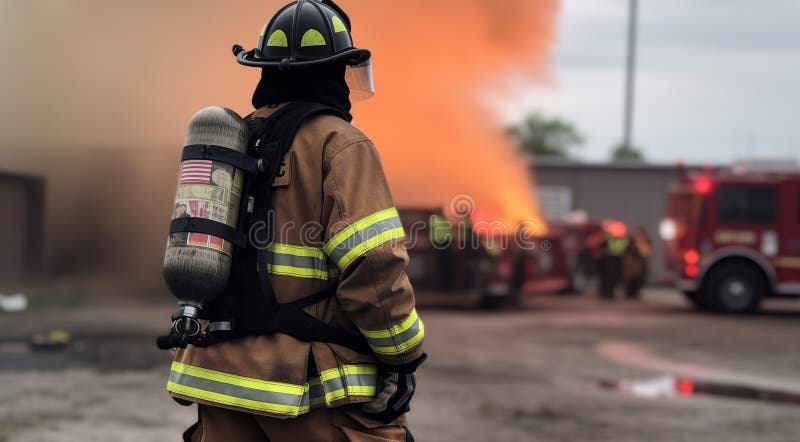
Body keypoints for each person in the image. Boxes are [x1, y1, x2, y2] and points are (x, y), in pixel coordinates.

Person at [167, 2, 426, 440]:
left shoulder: (234, 139)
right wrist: (402, 356)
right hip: (300, 384)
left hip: (217, 374)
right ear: (335, 70)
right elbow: (375, 267)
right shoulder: (341, 144)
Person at [597, 220, 629, 300]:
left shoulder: (618, 240)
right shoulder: (610, 239)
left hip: (614, 260)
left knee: (612, 278)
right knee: (609, 278)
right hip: (611, 260)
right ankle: (606, 293)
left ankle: (608, 293)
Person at [622, 226, 652, 299]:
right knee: (629, 280)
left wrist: (641, 243)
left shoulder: (645, 241)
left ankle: (635, 293)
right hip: (631, 265)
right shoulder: (630, 241)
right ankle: (629, 293)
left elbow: (646, 252)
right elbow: (625, 251)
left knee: (639, 279)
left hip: (640, 265)